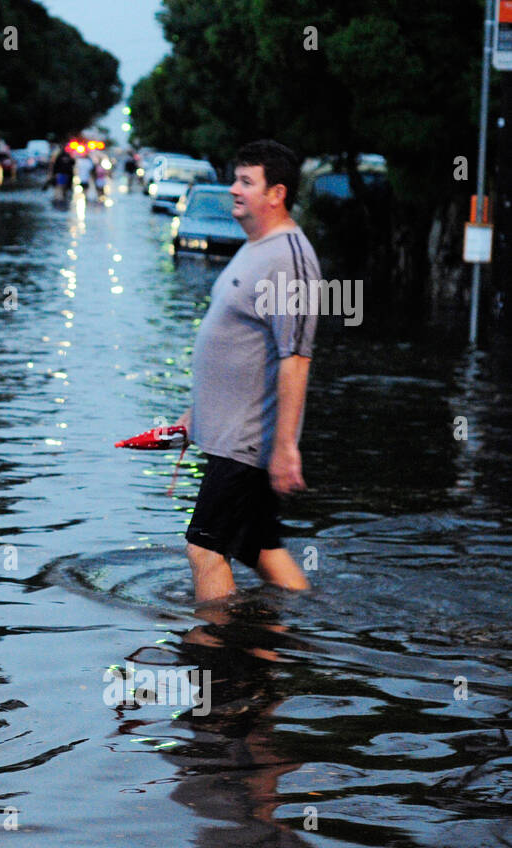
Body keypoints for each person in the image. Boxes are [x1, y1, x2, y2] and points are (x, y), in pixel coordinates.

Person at [173, 139, 319, 602]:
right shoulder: (257, 247)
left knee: (204, 549)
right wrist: (196, 412)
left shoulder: (289, 260)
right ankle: (285, 650)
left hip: (248, 442)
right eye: (235, 178)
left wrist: (285, 448)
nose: (233, 188)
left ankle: (217, 654)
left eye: (245, 181)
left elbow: (295, 358)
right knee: (261, 548)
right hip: (232, 435)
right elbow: (233, 346)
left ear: (276, 193)